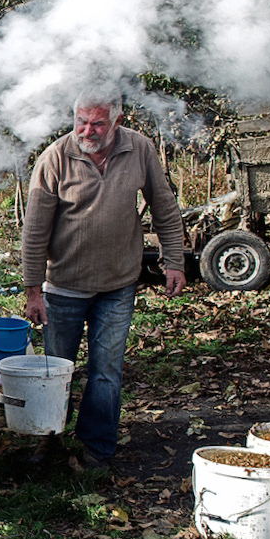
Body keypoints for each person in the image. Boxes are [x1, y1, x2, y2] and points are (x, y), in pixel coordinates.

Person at [21, 87, 186, 469]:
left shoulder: (139, 149)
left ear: (117, 121)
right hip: (63, 286)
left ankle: (96, 447)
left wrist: (174, 260)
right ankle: (49, 440)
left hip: (117, 284)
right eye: (81, 121)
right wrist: (33, 289)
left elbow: (164, 205)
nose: (87, 130)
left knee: (107, 372)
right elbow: (34, 231)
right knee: (56, 371)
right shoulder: (54, 159)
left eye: (97, 123)